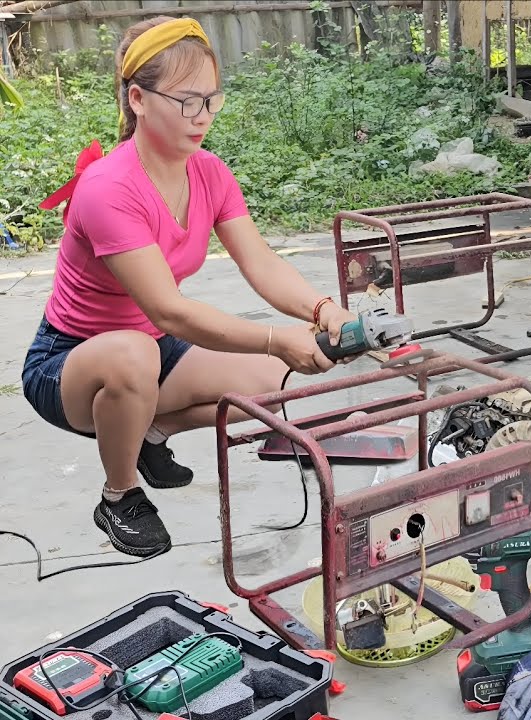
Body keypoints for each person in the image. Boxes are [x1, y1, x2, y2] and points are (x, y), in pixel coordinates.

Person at [22, 17, 356, 558]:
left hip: (154, 350)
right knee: (133, 356)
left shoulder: (209, 172)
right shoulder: (109, 187)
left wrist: (322, 310)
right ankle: (119, 494)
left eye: (211, 100)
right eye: (186, 101)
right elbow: (170, 311)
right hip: (69, 363)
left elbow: (261, 263)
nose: (202, 117)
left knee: (276, 379)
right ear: (138, 98)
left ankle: (150, 431)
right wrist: (276, 335)